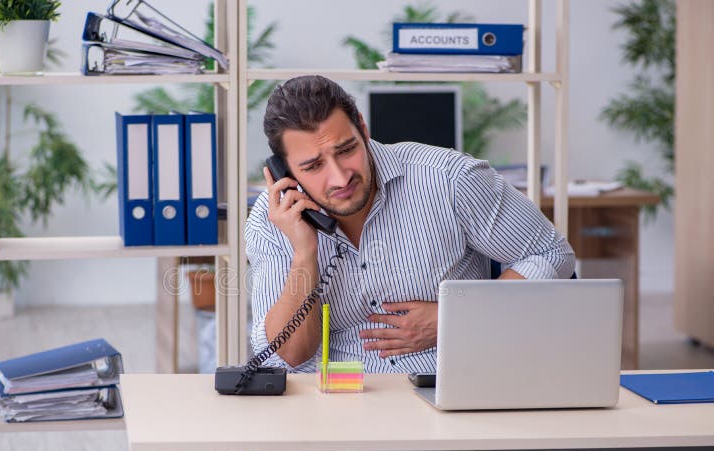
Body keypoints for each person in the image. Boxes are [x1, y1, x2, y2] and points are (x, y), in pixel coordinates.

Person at [246, 75, 575, 373]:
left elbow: (550, 253)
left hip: (447, 387)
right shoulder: (273, 216)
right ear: (284, 171)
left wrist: (455, 316)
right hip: (334, 407)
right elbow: (290, 355)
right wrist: (304, 252)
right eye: (314, 166)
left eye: (346, 150)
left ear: (362, 127)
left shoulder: (449, 178)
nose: (340, 176)